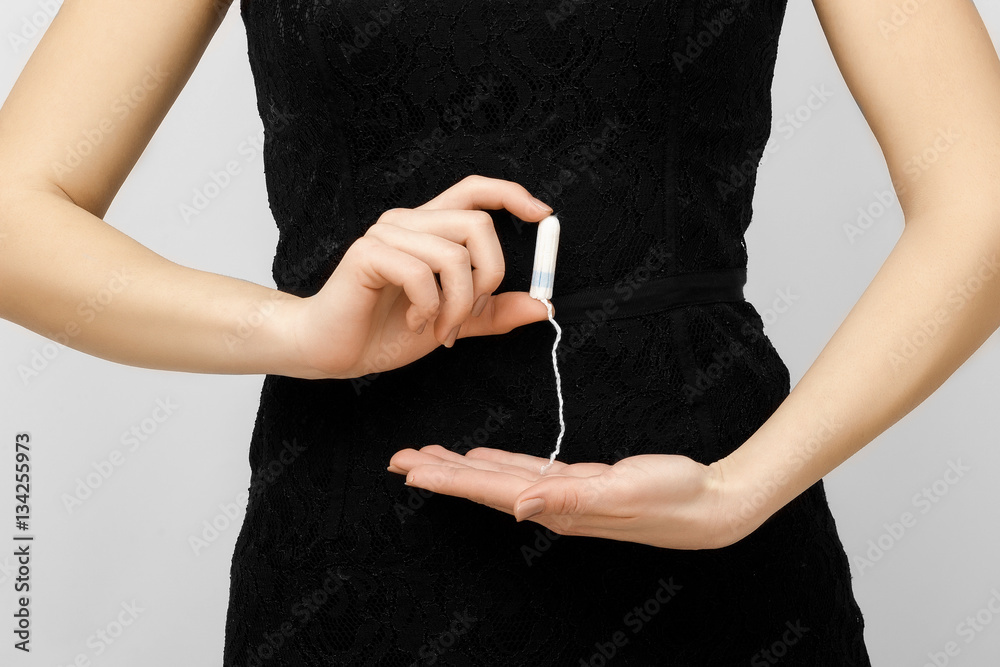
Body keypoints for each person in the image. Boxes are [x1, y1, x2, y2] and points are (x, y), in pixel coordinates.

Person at [1, 0, 998, 664]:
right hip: (356, 550)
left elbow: (982, 198)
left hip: (710, 544)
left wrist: (741, 489)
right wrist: (300, 333)